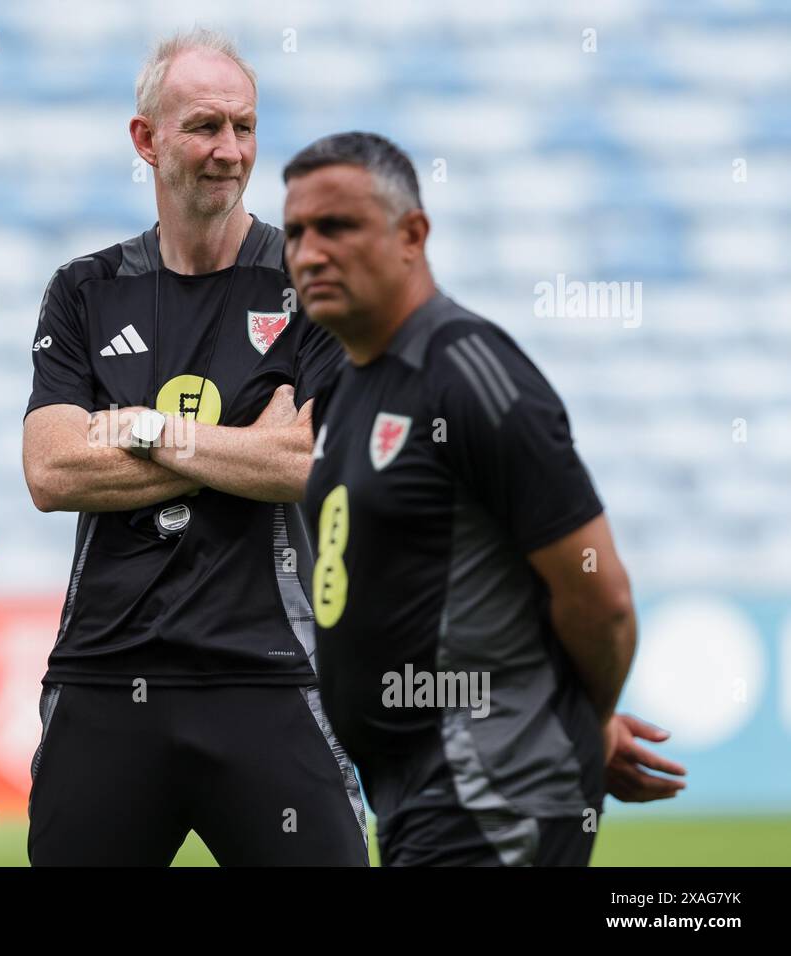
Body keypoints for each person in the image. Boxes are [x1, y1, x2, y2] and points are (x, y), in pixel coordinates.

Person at [283, 131, 686, 866]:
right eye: (296, 232)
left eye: (337, 228)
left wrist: (581, 722)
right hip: (418, 796)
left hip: (493, 788)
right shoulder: (346, 384)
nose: (309, 253)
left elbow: (603, 596)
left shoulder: (472, 375)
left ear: (413, 235)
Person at [21, 30, 367, 866]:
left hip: (269, 672)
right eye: (205, 126)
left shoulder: (312, 276)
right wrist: (241, 448)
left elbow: (308, 463)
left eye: (244, 128)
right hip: (105, 672)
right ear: (146, 140)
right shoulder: (85, 288)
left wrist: (142, 428)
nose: (229, 151)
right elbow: (52, 469)